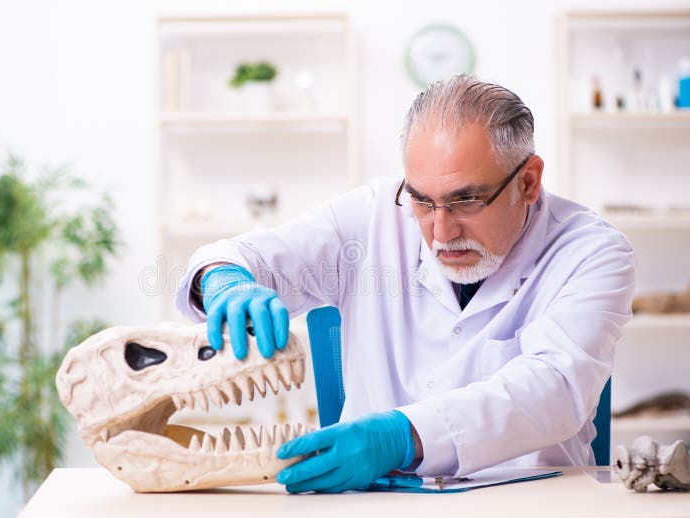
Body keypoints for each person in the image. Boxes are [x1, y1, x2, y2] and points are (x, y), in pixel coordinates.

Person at [175, 74, 636, 494]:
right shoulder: (373, 215)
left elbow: (555, 387)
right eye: (421, 200)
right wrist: (225, 280)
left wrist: (401, 436)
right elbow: (247, 255)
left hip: (530, 507)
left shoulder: (592, 252)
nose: (441, 232)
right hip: (372, 510)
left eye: (467, 201)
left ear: (529, 181)